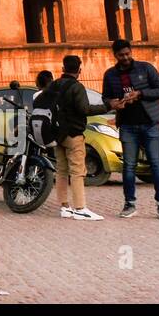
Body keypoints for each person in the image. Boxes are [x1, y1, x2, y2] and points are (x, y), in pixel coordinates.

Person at [101, 39, 159, 220]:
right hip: (127, 124)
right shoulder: (110, 75)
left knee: (156, 163)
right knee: (129, 166)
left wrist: (140, 94)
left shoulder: (145, 68)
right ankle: (129, 204)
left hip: (150, 123)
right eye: (121, 55)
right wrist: (113, 103)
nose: (125, 57)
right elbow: (106, 98)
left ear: (131, 51)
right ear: (115, 55)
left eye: (127, 54)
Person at [46, 55, 106, 221]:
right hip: (73, 133)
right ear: (79, 70)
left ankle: (64, 207)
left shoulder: (54, 85)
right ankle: (80, 208)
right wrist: (107, 107)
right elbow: (84, 109)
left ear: (63, 68)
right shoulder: (77, 87)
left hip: (58, 134)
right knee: (78, 171)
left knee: (61, 171)